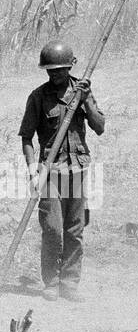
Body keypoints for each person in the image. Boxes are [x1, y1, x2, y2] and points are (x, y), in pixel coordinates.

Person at [19, 41, 106, 302]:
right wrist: (34, 170)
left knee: (75, 229)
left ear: (69, 67)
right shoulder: (37, 97)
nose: (54, 75)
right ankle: (51, 282)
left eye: (59, 70)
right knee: (53, 229)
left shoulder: (82, 91)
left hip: (77, 170)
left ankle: (69, 282)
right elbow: (26, 137)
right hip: (49, 172)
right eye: (50, 70)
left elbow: (100, 127)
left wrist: (88, 101)